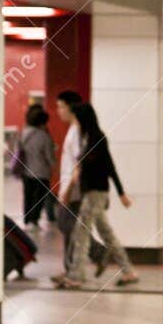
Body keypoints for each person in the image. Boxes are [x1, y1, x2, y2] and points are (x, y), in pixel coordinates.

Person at [57, 102, 137, 289]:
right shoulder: (85, 138)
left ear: (84, 118)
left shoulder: (97, 138)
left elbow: (110, 167)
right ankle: (129, 272)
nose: (73, 120)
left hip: (96, 192)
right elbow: (80, 169)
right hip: (90, 192)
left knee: (80, 232)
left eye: (76, 116)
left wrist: (121, 193)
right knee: (106, 234)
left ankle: (76, 276)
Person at [55, 89, 106, 277]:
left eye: (61, 107)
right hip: (71, 188)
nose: (58, 111)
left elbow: (79, 164)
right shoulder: (74, 129)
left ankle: (98, 252)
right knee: (69, 226)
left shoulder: (77, 132)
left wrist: (68, 190)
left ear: (71, 108)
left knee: (68, 225)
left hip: (74, 190)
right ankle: (70, 269)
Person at [15, 103, 56, 230]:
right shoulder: (44, 136)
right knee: (38, 199)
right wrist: (54, 164)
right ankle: (34, 221)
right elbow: (50, 157)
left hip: (26, 171)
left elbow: (18, 149)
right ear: (42, 122)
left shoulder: (23, 133)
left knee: (27, 196)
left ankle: (27, 220)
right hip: (41, 173)